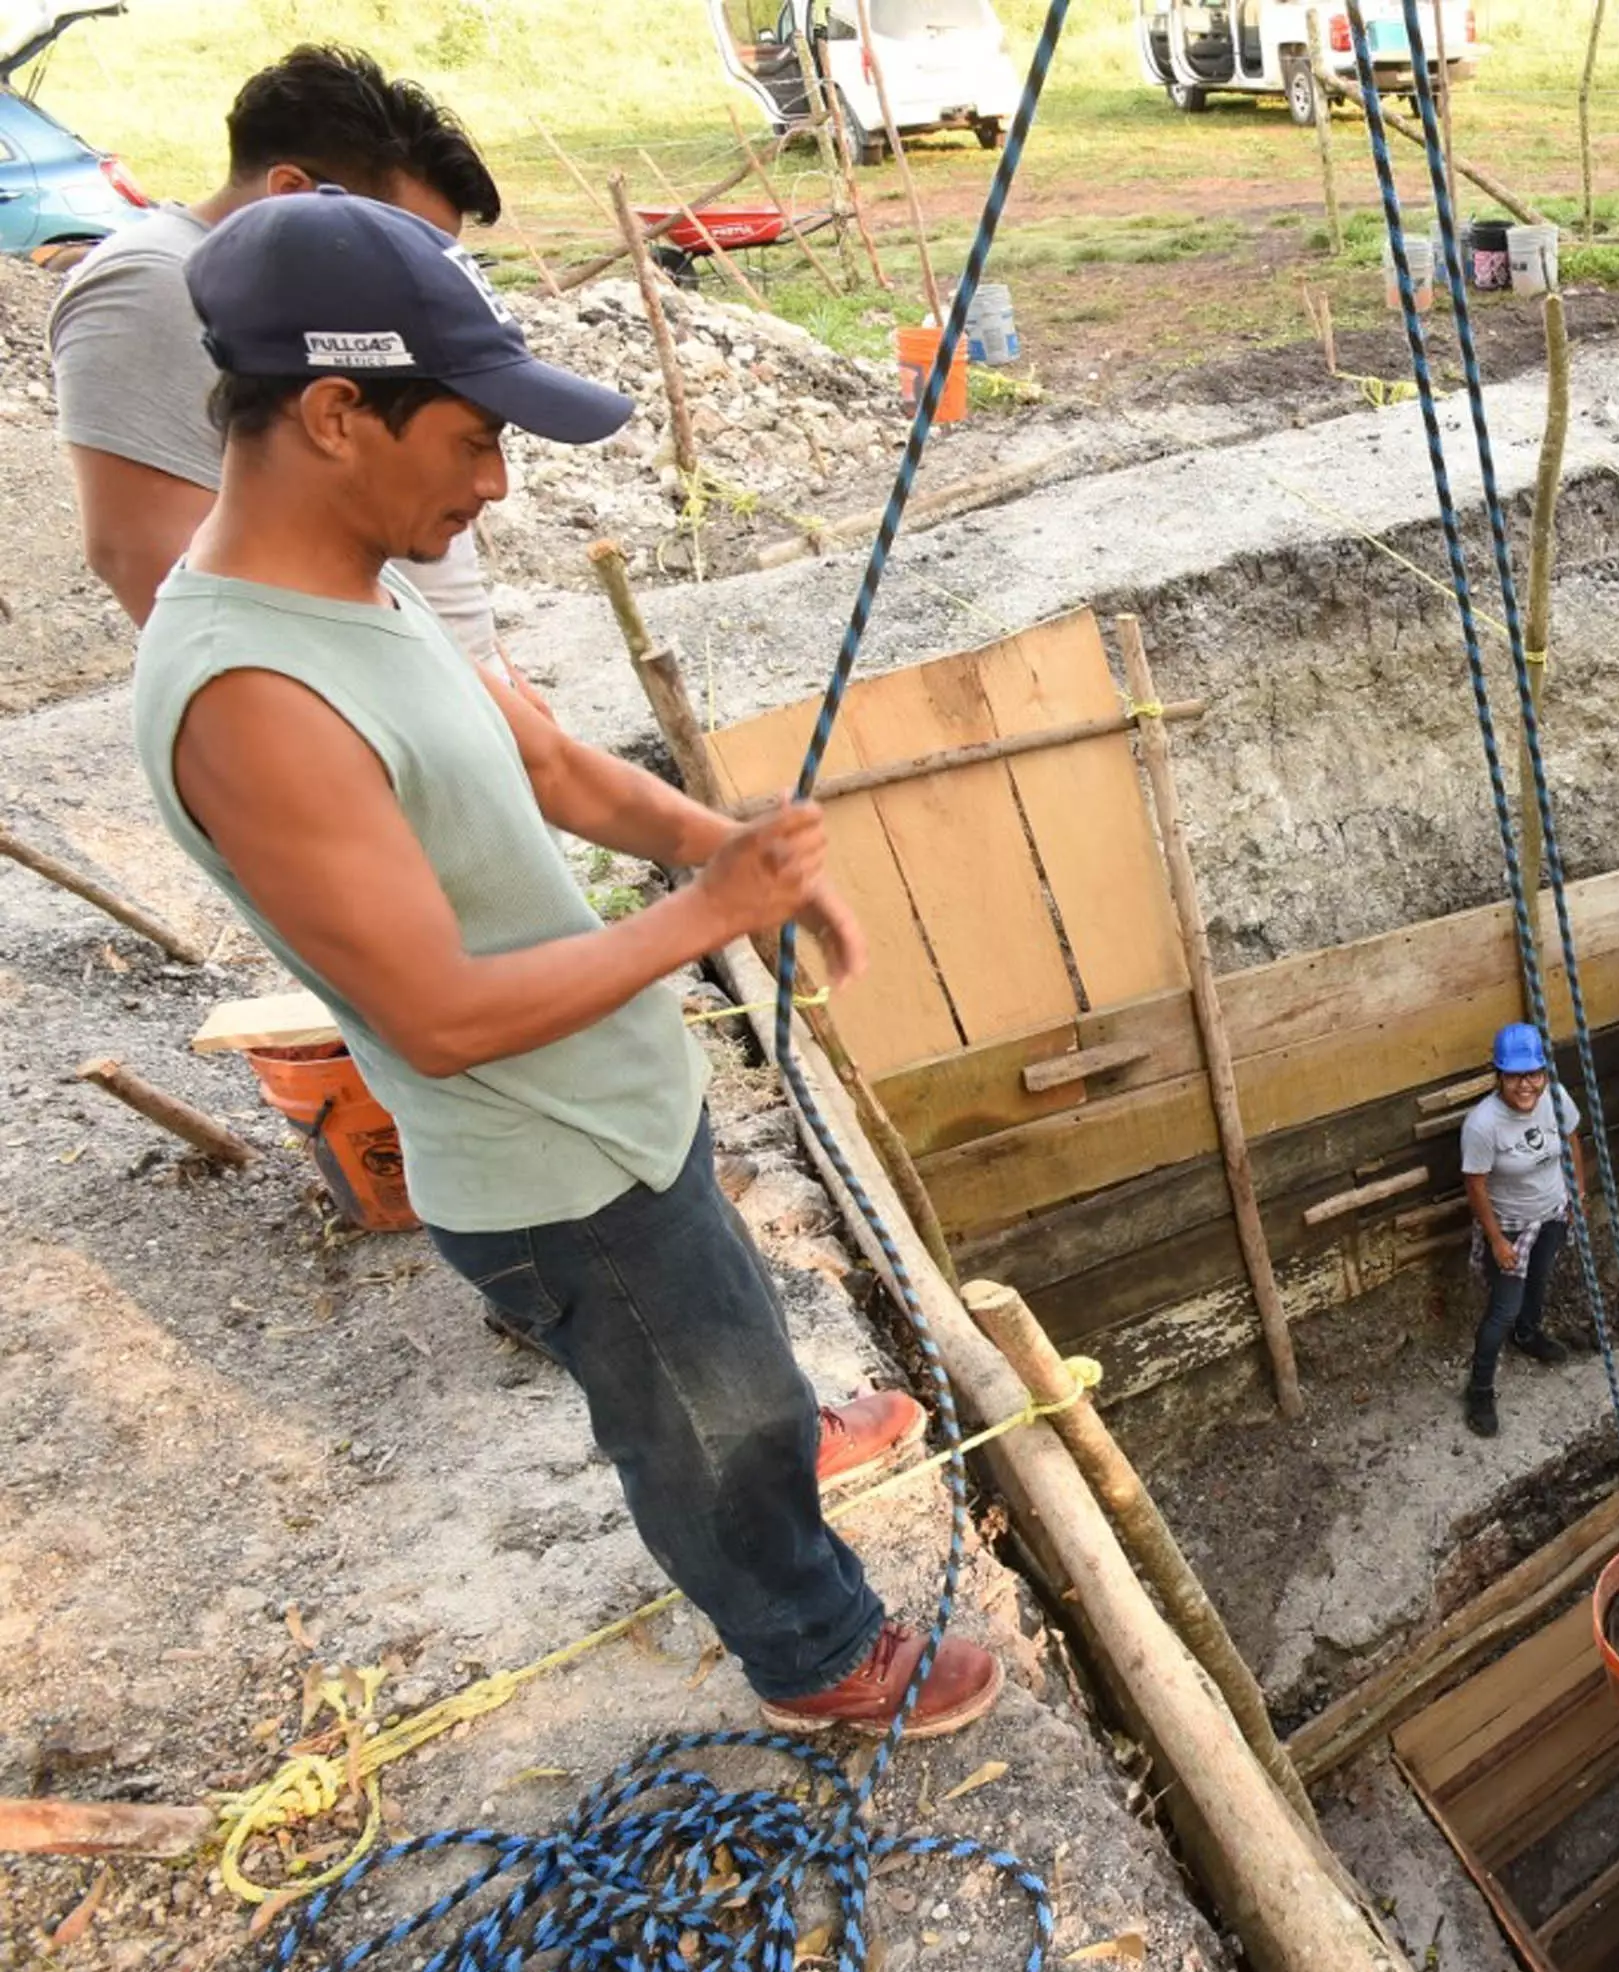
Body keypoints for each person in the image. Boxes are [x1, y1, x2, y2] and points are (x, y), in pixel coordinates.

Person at [129, 187, 1001, 1738]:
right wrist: (706, 914)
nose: (498, 478)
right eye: (473, 438)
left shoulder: (356, 583)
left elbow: (549, 767)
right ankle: (815, 1656)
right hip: (550, 1176)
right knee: (691, 1425)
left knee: (729, 1349)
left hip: (611, 1115)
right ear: (339, 412)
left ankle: (777, 1430)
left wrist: (727, 851)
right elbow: (439, 1021)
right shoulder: (251, 696)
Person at [51, 44, 528, 693]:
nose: (416, 276)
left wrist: (502, 697)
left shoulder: (307, 310)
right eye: (395, 242)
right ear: (291, 196)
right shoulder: (155, 286)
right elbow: (146, 555)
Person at [1458, 1022, 1587, 1439]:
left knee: (1540, 1279)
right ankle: (1480, 1390)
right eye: (1514, 1075)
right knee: (1503, 1309)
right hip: (1511, 1224)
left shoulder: (1555, 1097)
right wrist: (1496, 1240)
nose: (1525, 1085)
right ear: (1498, 1076)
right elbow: (1475, 1185)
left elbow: (1572, 1139)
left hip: (1551, 1211)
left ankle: (1528, 1335)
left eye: (1533, 1073)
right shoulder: (1483, 1125)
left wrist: (1577, 1192)